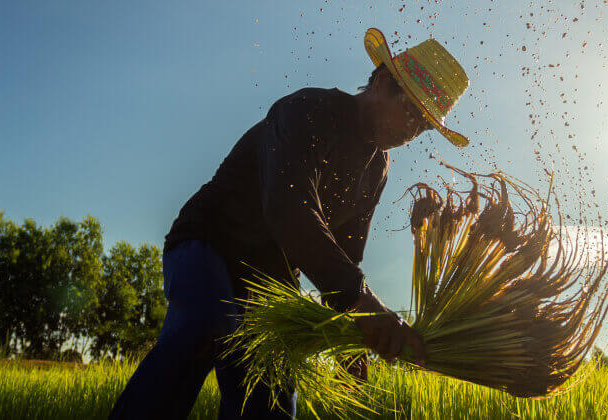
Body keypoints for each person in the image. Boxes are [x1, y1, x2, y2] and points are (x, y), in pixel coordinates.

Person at [109, 28, 472, 419]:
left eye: (424, 126)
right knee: (205, 325)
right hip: (209, 243)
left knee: (273, 395)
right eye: (411, 112)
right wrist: (362, 304)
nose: (412, 131)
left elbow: (347, 254)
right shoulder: (308, 111)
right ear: (383, 81)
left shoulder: (377, 170)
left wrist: (350, 331)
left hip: (271, 279)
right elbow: (288, 209)